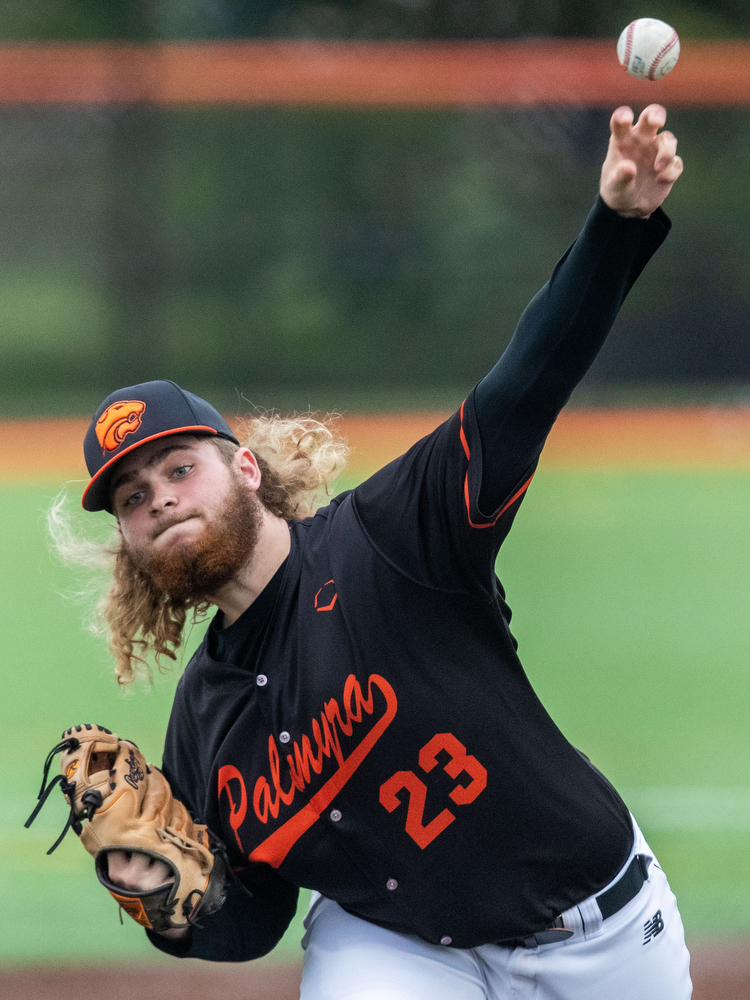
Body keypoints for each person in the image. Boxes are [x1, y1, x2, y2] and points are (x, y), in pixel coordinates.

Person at [61, 104, 690, 999]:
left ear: (243, 467)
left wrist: (617, 224)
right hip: (400, 951)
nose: (158, 496)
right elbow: (250, 916)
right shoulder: (208, 716)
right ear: (126, 540)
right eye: (130, 496)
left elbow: (526, 384)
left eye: (177, 466)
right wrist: (164, 901)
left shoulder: (393, 537)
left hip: (601, 931)